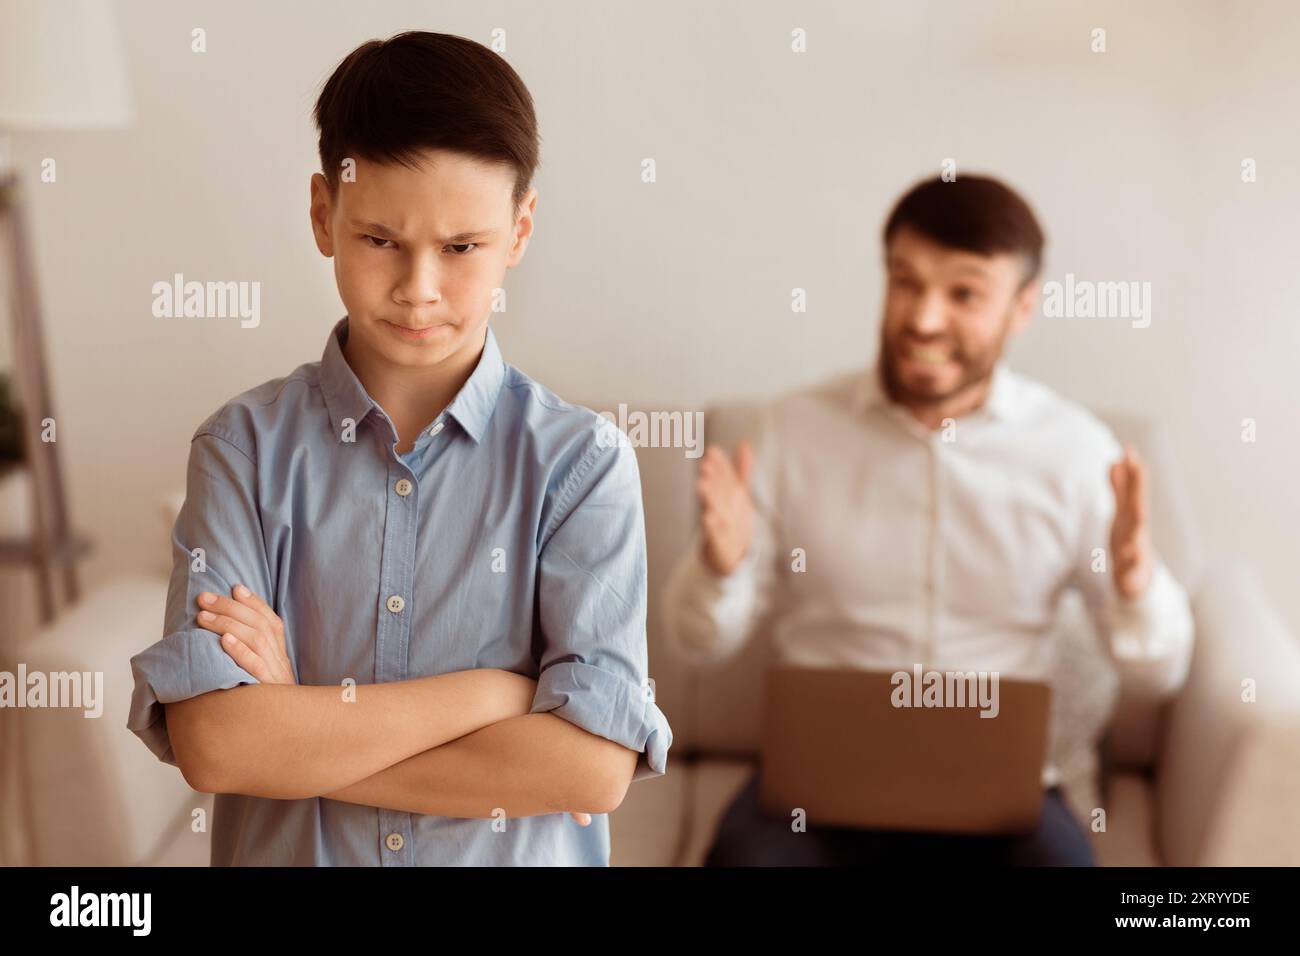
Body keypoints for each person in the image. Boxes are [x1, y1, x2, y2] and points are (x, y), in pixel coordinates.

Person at [127, 31, 671, 866]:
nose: (419, 288)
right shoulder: (239, 450)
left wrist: (299, 727)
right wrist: (493, 697)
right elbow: (220, 747)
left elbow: (592, 768)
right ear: (324, 214)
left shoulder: (582, 465)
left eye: (462, 249)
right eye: (380, 239)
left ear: (519, 232)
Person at [663, 174, 1194, 866]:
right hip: (818, 788)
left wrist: (1133, 580)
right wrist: (718, 567)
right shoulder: (792, 430)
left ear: (1022, 307)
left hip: (1003, 797)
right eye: (906, 282)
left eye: (965, 293)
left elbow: (1159, 674)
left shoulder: (1072, 451)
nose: (924, 319)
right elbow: (694, 643)